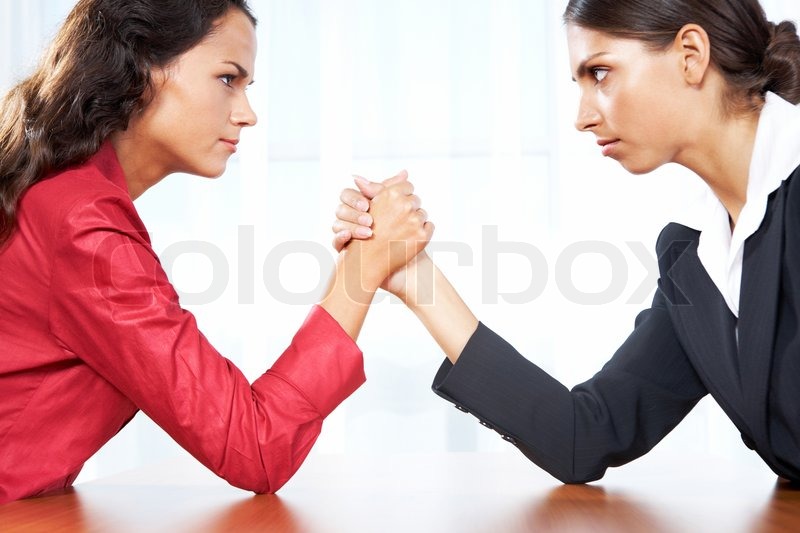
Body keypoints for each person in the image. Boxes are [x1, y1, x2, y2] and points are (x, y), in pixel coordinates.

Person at [334, 0, 800, 483]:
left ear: (690, 54)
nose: (582, 117)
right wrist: (416, 279)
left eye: (600, 73)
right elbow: (585, 434)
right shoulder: (697, 258)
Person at [0, 0, 432, 504]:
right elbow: (257, 446)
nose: (247, 113)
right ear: (140, 65)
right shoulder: (80, 222)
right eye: (229, 79)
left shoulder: (57, 195)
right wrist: (362, 268)